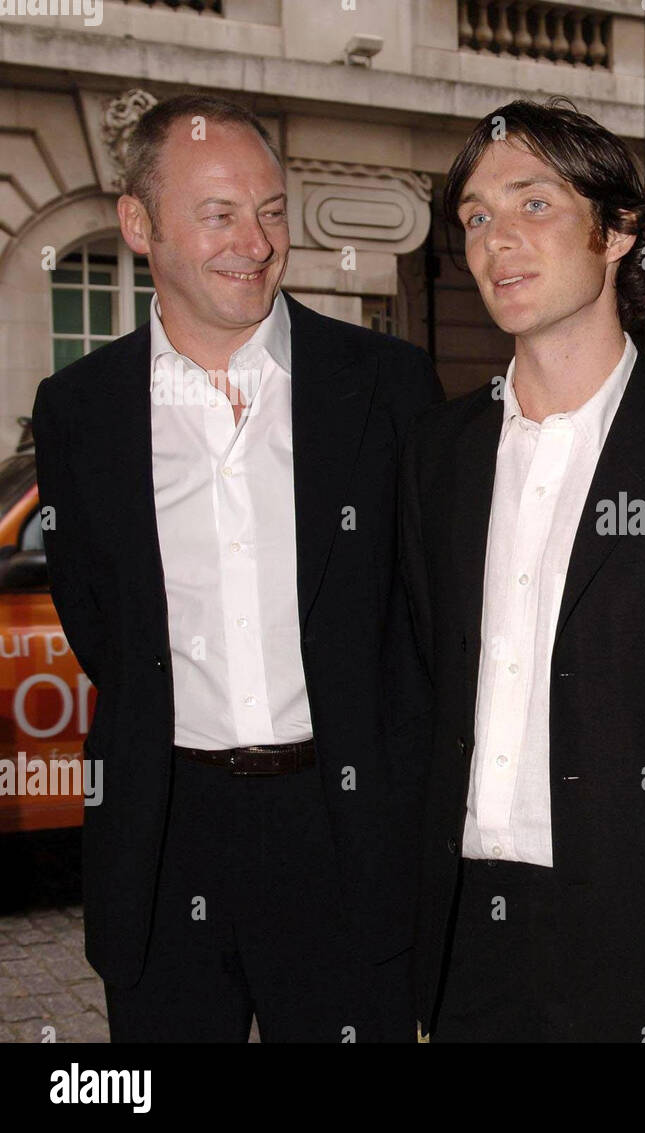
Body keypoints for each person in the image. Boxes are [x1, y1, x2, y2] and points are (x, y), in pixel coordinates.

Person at [32, 93, 442, 1041]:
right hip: (166, 832)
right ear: (139, 224)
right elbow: (102, 628)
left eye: (270, 211)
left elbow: (422, 621)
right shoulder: (79, 411)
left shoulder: (385, 386)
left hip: (344, 832)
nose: (254, 244)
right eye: (219, 213)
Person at [399, 98, 645, 1042]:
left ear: (616, 231)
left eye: (533, 205)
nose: (498, 242)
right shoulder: (436, 456)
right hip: (465, 943)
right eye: (478, 218)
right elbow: (418, 682)